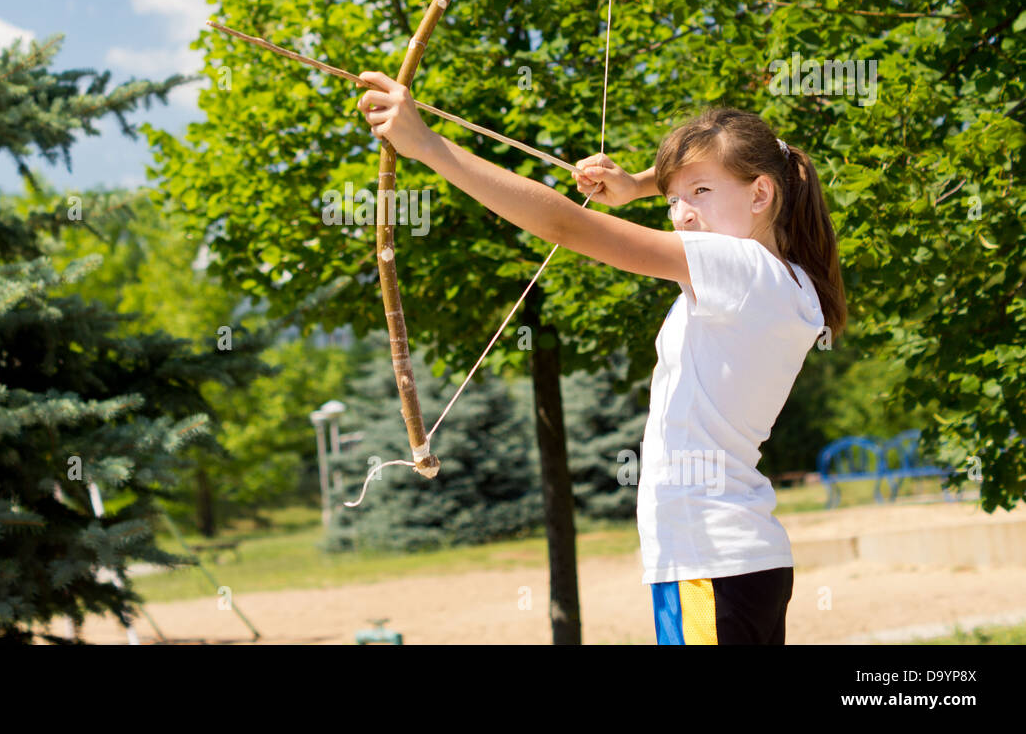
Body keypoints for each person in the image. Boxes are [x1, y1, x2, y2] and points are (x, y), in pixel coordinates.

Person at [354, 70, 848, 645]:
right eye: (672, 200)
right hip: (735, 563)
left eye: (700, 194)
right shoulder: (791, 284)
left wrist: (427, 145)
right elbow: (720, 172)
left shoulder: (738, 269)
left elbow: (566, 224)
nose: (680, 213)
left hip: (710, 561)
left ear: (762, 193)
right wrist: (642, 184)